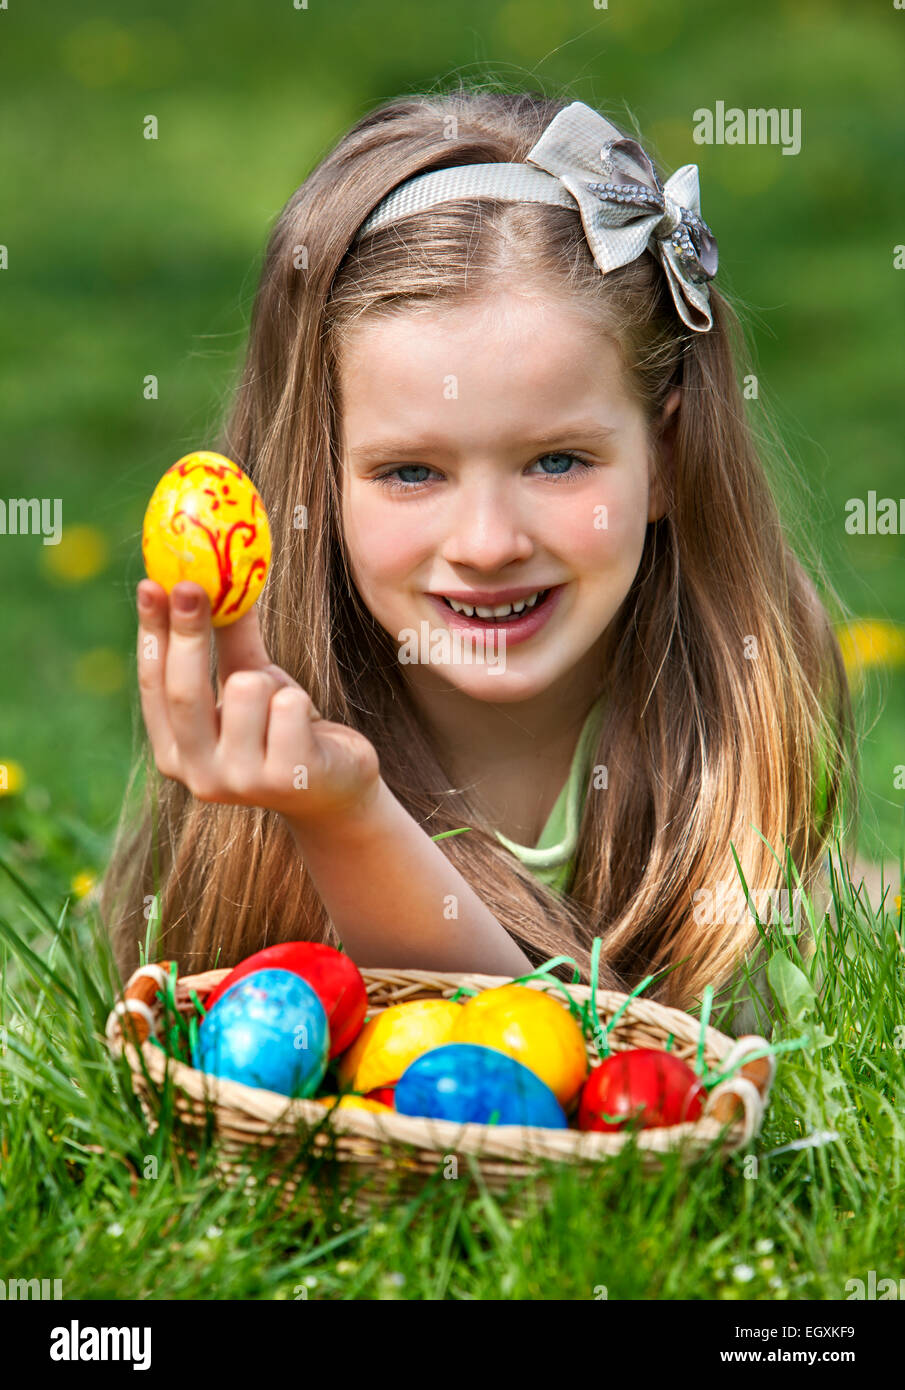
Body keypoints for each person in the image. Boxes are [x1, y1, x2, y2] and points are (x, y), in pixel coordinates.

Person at [100, 87, 857, 1032]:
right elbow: (444, 1078)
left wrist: (349, 820)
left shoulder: (746, 683)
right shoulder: (275, 726)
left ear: (666, 460)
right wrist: (337, 814)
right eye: (412, 471)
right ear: (318, 482)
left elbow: (586, 1079)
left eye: (557, 461)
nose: (488, 543)